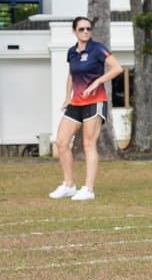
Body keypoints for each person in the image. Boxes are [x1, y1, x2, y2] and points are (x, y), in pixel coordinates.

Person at [50, 16, 120, 201]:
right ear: (75, 31)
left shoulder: (98, 49)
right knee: (61, 142)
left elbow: (117, 68)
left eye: (88, 28)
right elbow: (71, 76)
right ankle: (69, 185)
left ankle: (88, 189)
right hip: (76, 102)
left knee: (89, 144)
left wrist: (97, 82)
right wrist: (67, 97)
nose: (86, 32)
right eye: (81, 29)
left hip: (95, 101)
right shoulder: (71, 52)